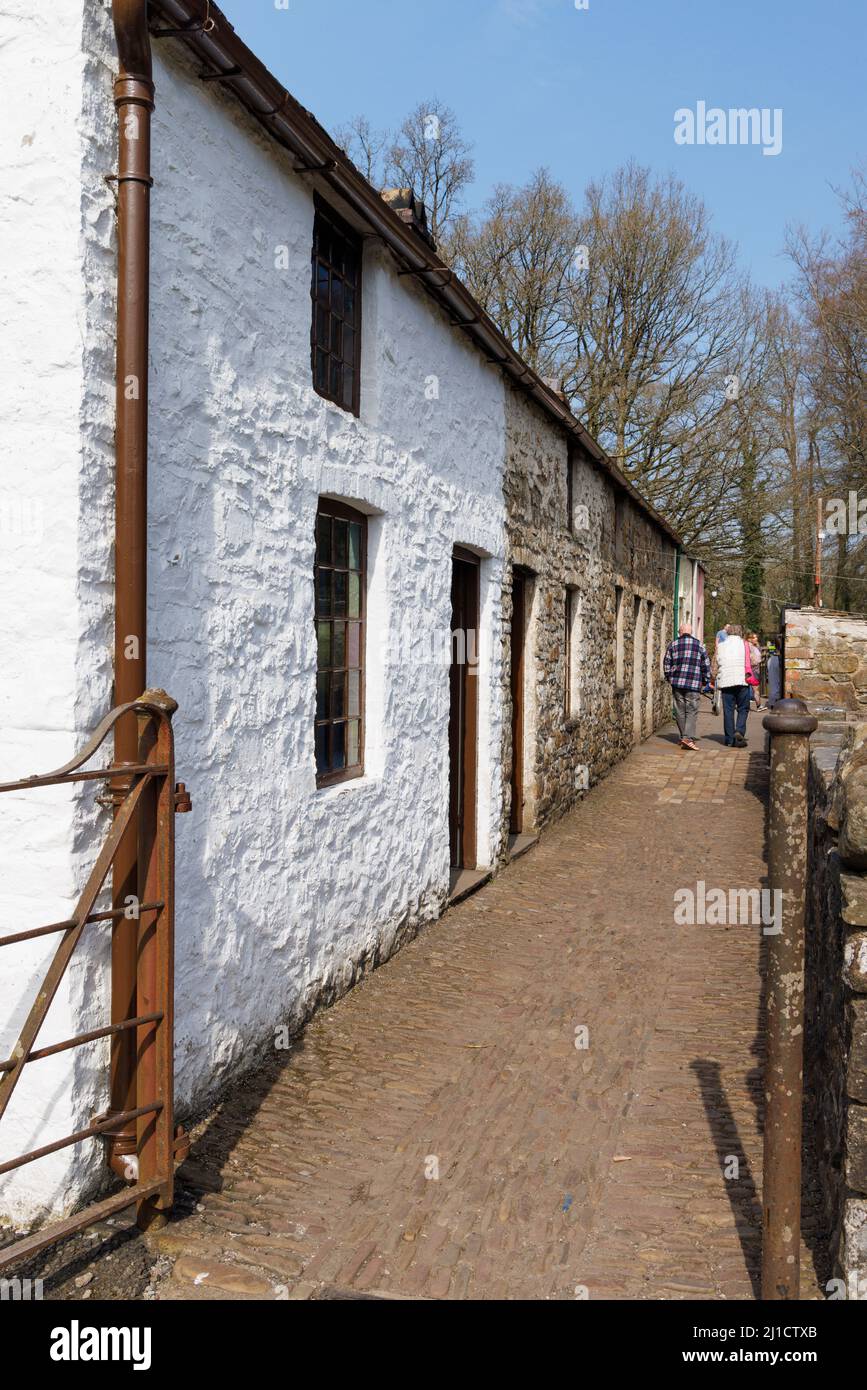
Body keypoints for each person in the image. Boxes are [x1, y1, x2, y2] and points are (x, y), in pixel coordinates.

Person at [663, 621, 712, 751]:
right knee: (692, 710)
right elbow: (705, 664)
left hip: (677, 682)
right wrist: (706, 679)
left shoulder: (673, 645)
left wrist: (669, 677)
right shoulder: (699, 645)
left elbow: (667, 663)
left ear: (680, 632)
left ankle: (684, 736)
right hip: (693, 683)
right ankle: (688, 738)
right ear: (691, 632)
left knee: (679, 709)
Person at [716, 623, 751, 747]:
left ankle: (729, 740)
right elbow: (755, 659)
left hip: (726, 681)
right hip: (742, 680)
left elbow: (718, 661)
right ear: (740, 632)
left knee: (728, 711)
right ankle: (739, 730)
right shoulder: (745, 644)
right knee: (743, 708)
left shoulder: (721, 645)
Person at [747, 631, 763, 709]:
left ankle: (758, 705)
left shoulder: (756, 646)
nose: (756, 639)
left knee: (755, 689)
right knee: (754, 689)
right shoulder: (749, 646)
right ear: (749, 639)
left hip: (755, 670)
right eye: (754, 637)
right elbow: (754, 660)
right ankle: (758, 705)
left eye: (756, 637)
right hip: (750, 670)